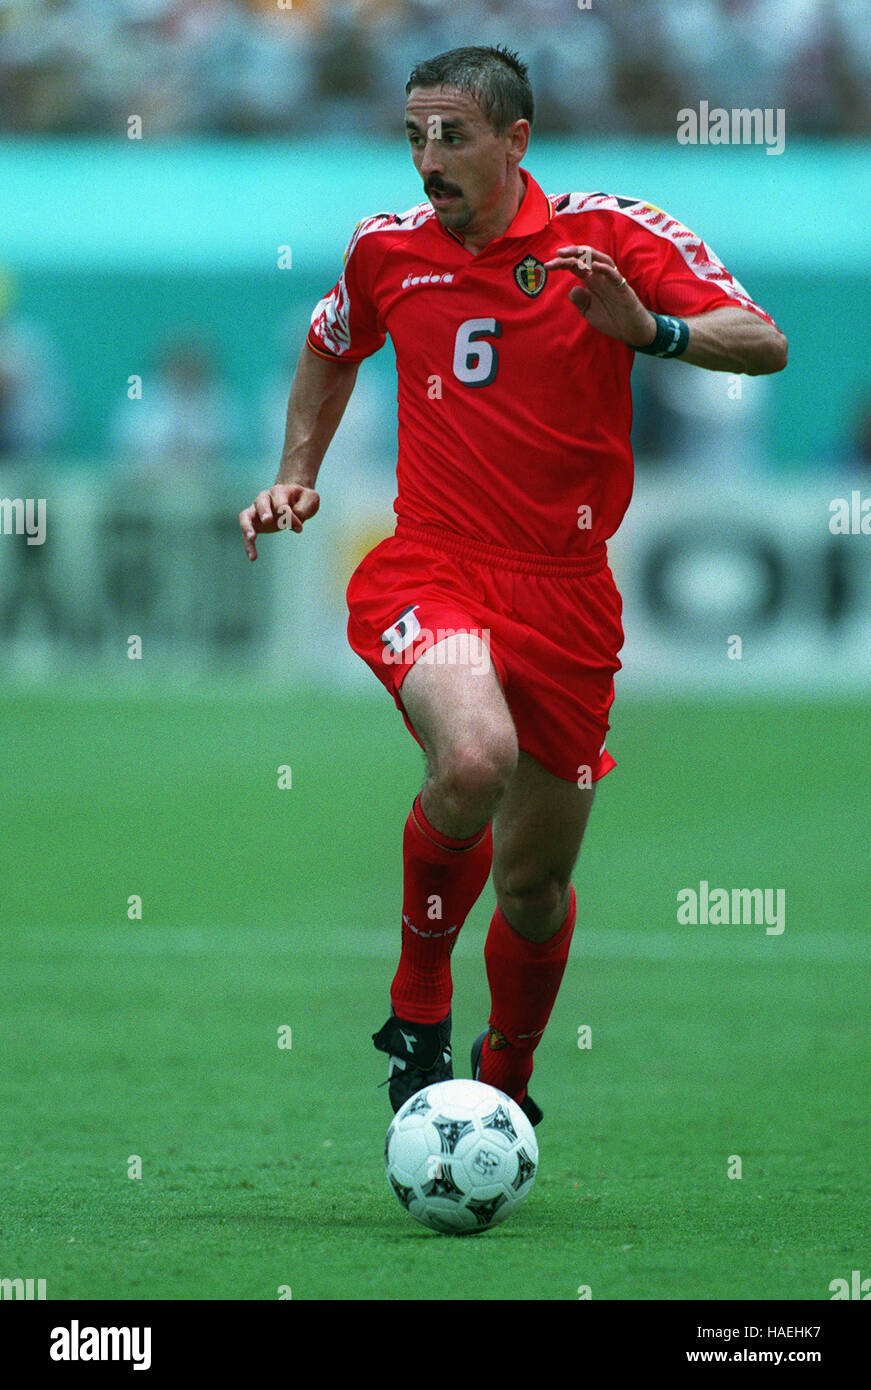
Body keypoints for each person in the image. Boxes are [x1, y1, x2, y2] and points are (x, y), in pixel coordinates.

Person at [238, 45, 787, 1126]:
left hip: (567, 593)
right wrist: (295, 475)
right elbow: (330, 343)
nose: (427, 158)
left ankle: (504, 1083)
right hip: (430, 562)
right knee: (474, 755)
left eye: (451, 135)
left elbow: (761, 341)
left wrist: (653, 333)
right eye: (413, 136)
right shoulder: (386, 250)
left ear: (514, 140)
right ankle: (417, 1003)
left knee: (533, 889)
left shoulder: (613, 236)